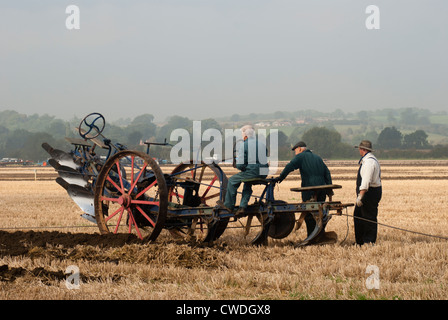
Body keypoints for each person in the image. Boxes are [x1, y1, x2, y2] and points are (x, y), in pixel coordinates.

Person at [275, 141, 332, 236]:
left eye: (295, 151)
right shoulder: (318, 158)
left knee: (309, 214)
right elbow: (327, 173)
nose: (295, 153)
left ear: (300, 149)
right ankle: (320, 235)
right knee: (320, 213)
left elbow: (289, 166)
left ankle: (311, 236)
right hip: (322, 189)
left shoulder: (301, 156)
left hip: (309, 189)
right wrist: (329, 188)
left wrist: (280, 177)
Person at [221, 125, 269, 214]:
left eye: (242, 135)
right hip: (264, 172)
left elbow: (240, 165)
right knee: (247, 183)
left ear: (245, 136)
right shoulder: (262, 144)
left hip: (252, 172)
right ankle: (242, 207)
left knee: (232, 180)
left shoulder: (244, 145)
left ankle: (228, 206)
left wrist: (239, 166)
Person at [353, 140, 382, 245]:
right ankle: (360, 241)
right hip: (370, 192)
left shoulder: (369, 162)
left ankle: (369, 241)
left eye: (360, 149)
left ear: (363, 150)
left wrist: (360, 196)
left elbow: (366, 181)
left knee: (369, 217)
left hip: (369, 193)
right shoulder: (369, 160)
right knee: (358, 215)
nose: (359, 151)